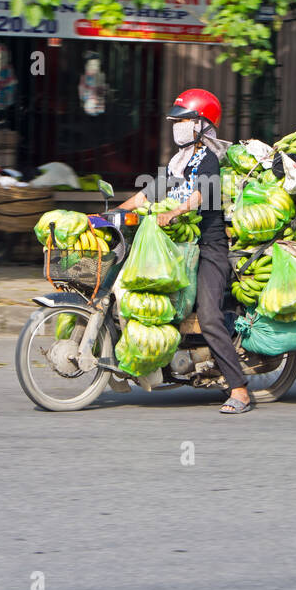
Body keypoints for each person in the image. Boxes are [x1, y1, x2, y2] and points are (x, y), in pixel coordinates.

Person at [116, 89, 253, 413]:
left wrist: (175, 212)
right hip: (181, 247)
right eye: (175, 121)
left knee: (208, 317)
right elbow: (148, 195)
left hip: (209, 248)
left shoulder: (208, 158)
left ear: (201, 125)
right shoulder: (179, 161)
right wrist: (109, 215)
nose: (176, 125)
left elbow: (204, 194)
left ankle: (240, 390)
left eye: (182, 120)